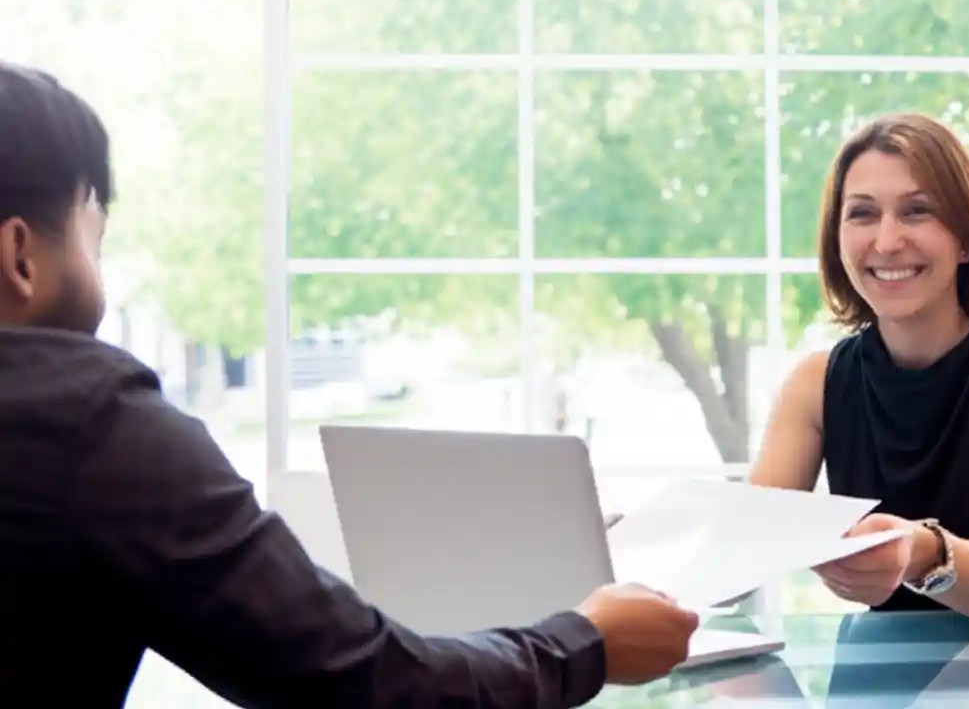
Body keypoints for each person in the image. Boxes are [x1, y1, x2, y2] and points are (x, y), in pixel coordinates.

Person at [0, 62, 698, 707]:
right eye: (95, 241)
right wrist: (586, 643)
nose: (101, 268)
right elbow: (361, 682)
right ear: (20, 255)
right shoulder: (87, 419)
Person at [750, 112, 969, 623]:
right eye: (862, 214)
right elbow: (744, 544)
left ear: (967, 240)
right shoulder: (815, 384)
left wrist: (922, 551)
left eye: (917, 212)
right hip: (882, 682)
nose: (887, 242)